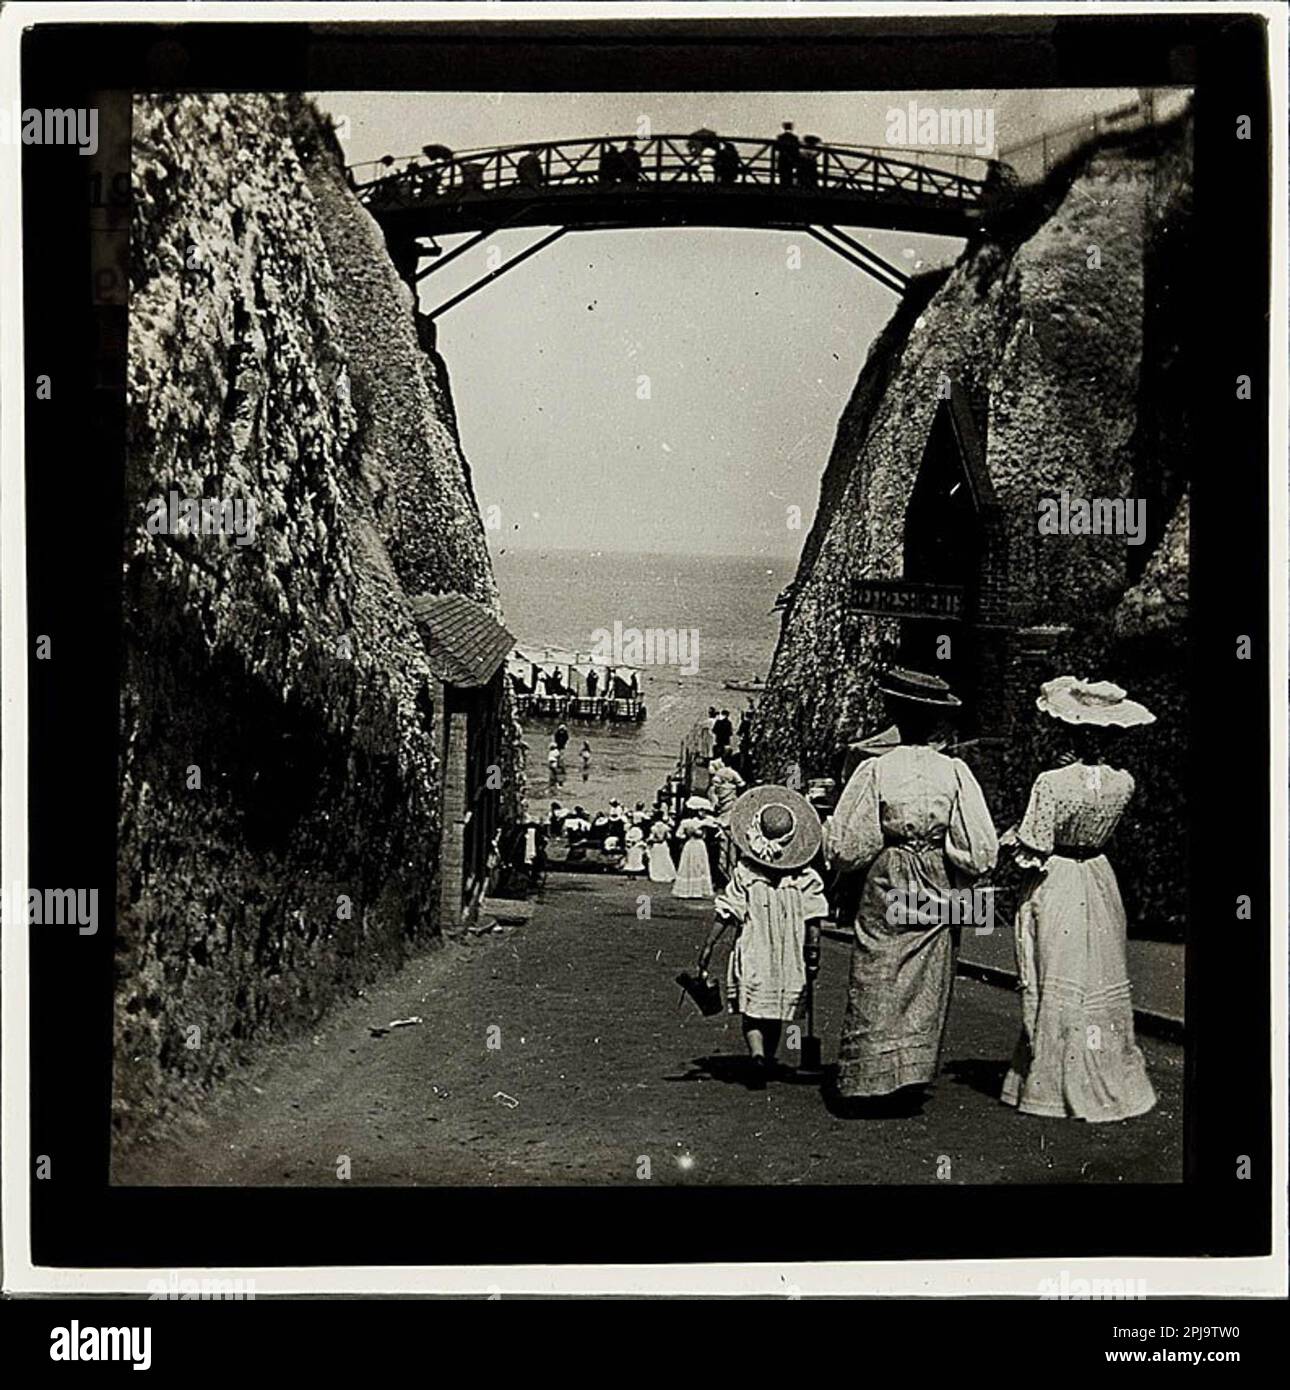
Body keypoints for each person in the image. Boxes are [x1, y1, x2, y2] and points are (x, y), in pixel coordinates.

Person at [824, 667, 998, 1110]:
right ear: (937, 719)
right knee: (927, 977)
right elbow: (979, 849)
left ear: (895, 714)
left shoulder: (876, 769)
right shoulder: (954, 771)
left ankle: (869, 1076)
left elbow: (848, 846)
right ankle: (910, 1075)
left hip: (889, 872)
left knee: (878, 971)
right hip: (936, 873)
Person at [999, 677, 1158, 1123]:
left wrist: (1009, 838)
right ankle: (1104, 1069)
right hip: (1099, 877)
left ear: (1071, 730)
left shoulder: (1051, 782)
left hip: (1060, 877)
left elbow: (1033, 845)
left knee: (1057, 971)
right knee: (1095, 973)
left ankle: (1051, 1081)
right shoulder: (1122, 782)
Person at [696, 786, 828, 1089]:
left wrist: (709, 944)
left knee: (753, 1008)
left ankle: (756, 1055)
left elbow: (727, 911)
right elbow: (814, 918)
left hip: (754, 946)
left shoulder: (745, 872)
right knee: (777, 1009)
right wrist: (813, 951)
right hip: (790, 953)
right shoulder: (805, 878)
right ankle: (767, 1059)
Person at [672, 796, 717, 899]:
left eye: (705, 811)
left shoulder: (708, 820)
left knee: (700, 866)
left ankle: (699, 890)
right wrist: (687, 835)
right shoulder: (687, 822)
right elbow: (678, 834)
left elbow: (715, 828)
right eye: (701, 810)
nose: (703, 813)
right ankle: (687, 891)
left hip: (700, 845)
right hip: (690, 844)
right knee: (689, 865)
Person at [647, 818, 677, 883]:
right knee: (665, 859)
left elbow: (651, 838)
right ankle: (668, 874)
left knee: (656, 860)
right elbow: (669, 837)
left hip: (656, 845)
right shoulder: (666, 827)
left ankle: (657, 875)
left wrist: (649, 841)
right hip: (663, 845)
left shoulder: (653, 828)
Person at [773, 121, 800, 186]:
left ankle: (783, 186)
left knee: (782, 175)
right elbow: (797, 149)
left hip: (782, 159)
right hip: (791, 159)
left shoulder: (780, 137)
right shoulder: (794, 138)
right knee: (789, 174)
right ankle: (789, 186)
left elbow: (776, 148)